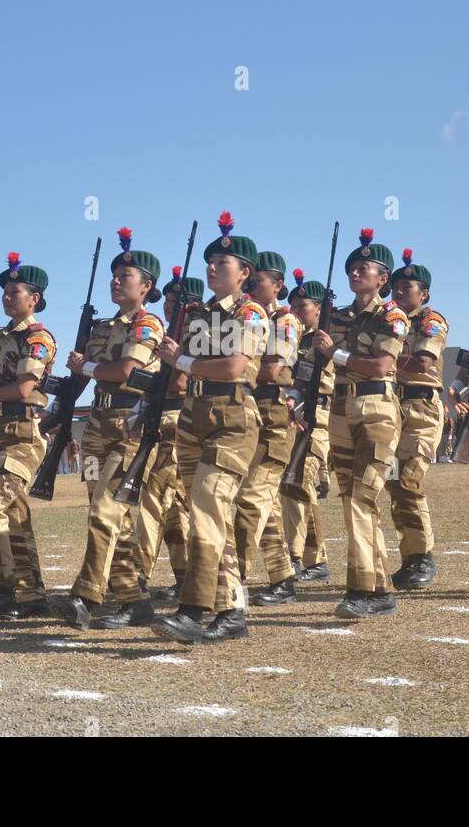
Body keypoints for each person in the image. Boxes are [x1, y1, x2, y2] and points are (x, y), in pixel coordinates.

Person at [150, 211, 266, 645]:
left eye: (224, 263)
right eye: (210, 263)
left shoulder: (251, 313)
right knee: (210, 514)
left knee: (206, 508)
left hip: (232, 421)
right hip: (193, 420)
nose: (213, 268)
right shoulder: (198, 315)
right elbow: (185, 376)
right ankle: (232, 609)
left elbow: (235, 367)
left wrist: (180, 359)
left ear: (244, 273)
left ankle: (193, 608)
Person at [51, 228, 165, 632]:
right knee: (112, 517)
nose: (117, 281)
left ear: (146, 286)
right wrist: (58, 407)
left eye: (126, 277)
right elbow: (84, 377)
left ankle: (84, 597)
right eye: (114, 276)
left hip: (126, 429)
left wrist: (86, 366)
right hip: (96, 428)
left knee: (105, 511)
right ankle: (135, 601)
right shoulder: (101, 327)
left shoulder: (148, 324)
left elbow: (125, 372)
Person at [311, 228, 408, 619]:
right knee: (352, 497)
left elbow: (384, 365)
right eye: (352, 268)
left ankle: (361, 588)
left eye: (364, 268)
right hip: (340, 408)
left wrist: (335, 353)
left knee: (363, 496)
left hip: (376, 409)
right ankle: (379, 589)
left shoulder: (393, 316)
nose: (355, 273)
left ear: (382, 278)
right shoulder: (336, 317)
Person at [0, 252, 57, 619]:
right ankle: (31, 597)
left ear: (34, 299)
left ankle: (3, 588)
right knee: (14, 515)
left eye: (15, 291)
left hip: (24, 434)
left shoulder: (39, 338)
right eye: (4, 290)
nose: (7, 296)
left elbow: (23, 388)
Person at [236, 251, 304, 607]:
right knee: (265, 505)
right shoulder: (241, 317)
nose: (250, 286)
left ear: (277, 285)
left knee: (250, 500)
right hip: (244, 415)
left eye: (258, 280)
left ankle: (232, 580)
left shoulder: (284, 320)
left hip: (272, 419)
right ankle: (282, 579)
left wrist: (234, 367)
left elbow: (276, 368)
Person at [135, 270, 204, 605]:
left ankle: (136, 577)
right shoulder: (171, 334)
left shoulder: (198, 331)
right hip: (161, 416)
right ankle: (185, 576)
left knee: (153, 494)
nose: (171, 307)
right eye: (170, 302)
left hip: (180, 418)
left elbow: (179, 383)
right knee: (174, 506)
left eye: (179, 301)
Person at [385, 248, 450, 591]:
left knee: (409, 480)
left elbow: (423, 361)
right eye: (395, 285)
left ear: (423, 294)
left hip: (420, 412)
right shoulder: (388, 320)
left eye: (407, 287)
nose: (399, 291)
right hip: (390, 412)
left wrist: (378, 365)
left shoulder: (430, 320)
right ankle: (410, 558)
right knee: (393, 483)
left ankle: (423, 556)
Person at [280, 271, 334, 584]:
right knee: (291, 488)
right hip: (294, 418)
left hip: (320, 418)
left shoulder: (329, 340)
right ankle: (302, 556)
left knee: (300, 484)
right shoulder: (294, 340)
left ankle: (309, 558)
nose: (297, 311)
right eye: (294, 306)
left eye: (304, 306)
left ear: (318, 309)